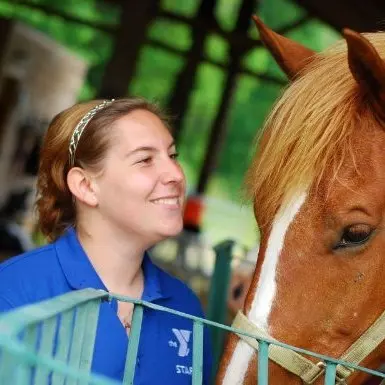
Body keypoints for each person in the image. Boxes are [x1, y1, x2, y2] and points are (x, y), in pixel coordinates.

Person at [0, 98, 212, 383]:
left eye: (172, 156)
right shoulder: (14, 292)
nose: (176, 174)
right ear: (86, 186)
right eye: (145, 160)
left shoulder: (185, 306)